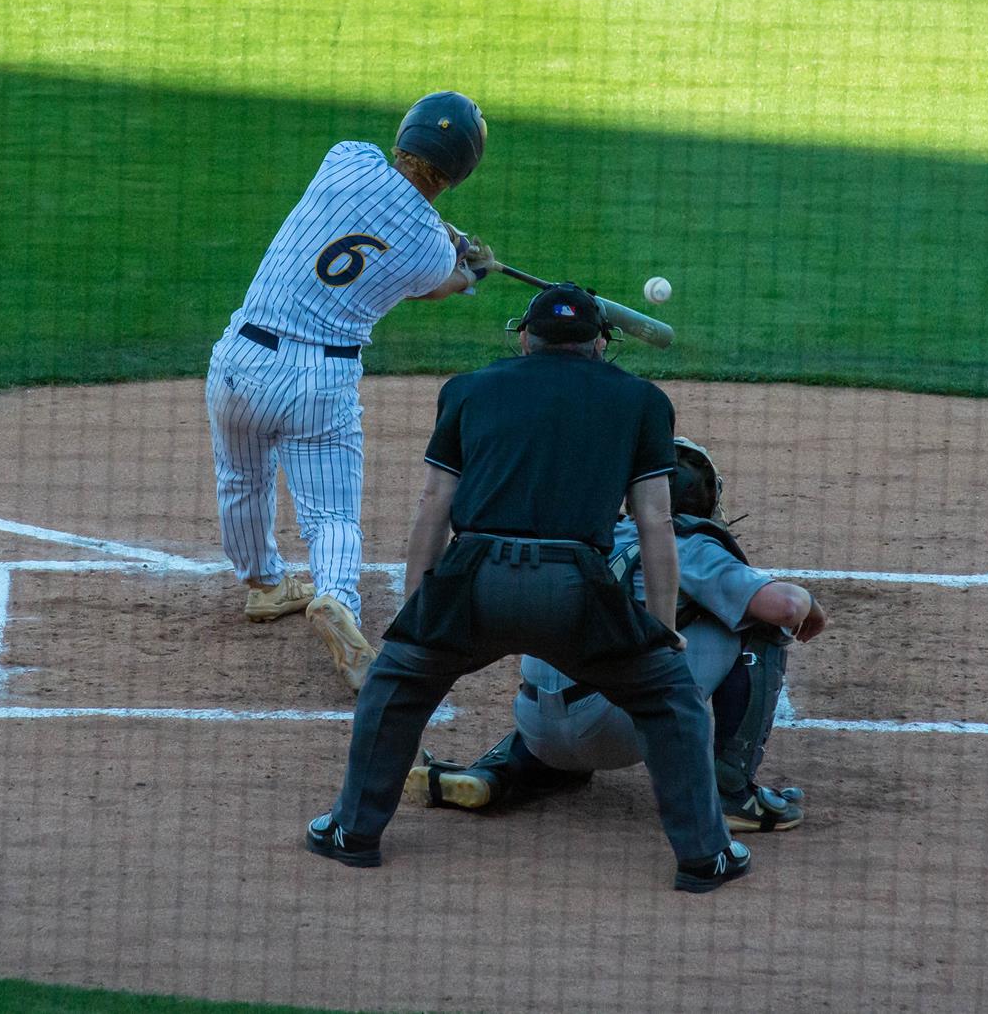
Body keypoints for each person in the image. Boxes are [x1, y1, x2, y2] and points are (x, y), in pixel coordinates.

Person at [304, 285, 752, 893]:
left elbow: (434, 505)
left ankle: (353, 834)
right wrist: (661, 627)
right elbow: (655, 523)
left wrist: (419, 610)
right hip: (577, 591)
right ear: (600, 341)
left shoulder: (468, 389)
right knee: (669, 701)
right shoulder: (642, 401)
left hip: (474, 582)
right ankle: (705, 857)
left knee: (396, 687)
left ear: (524, 336)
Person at [208, 92, 493, 692]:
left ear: (405, 136)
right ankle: (336, 598)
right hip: (315, 383)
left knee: (242, 477)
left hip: (237, 360)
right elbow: (438, 283)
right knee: (331, 513)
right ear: (463, 168)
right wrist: (472, 268)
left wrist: (452, 246)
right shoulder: (428, 251)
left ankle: (262, 585)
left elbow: (382, 210)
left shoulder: (349, 160)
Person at [404, 436, 830, 832]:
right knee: (755, 621)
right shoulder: (691, 544)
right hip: (623, 728)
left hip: (537, 724)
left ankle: (497, 770)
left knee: (569, 664)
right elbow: (786, 608)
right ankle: (732, 792)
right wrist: (810, 605)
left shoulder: (588, 533)